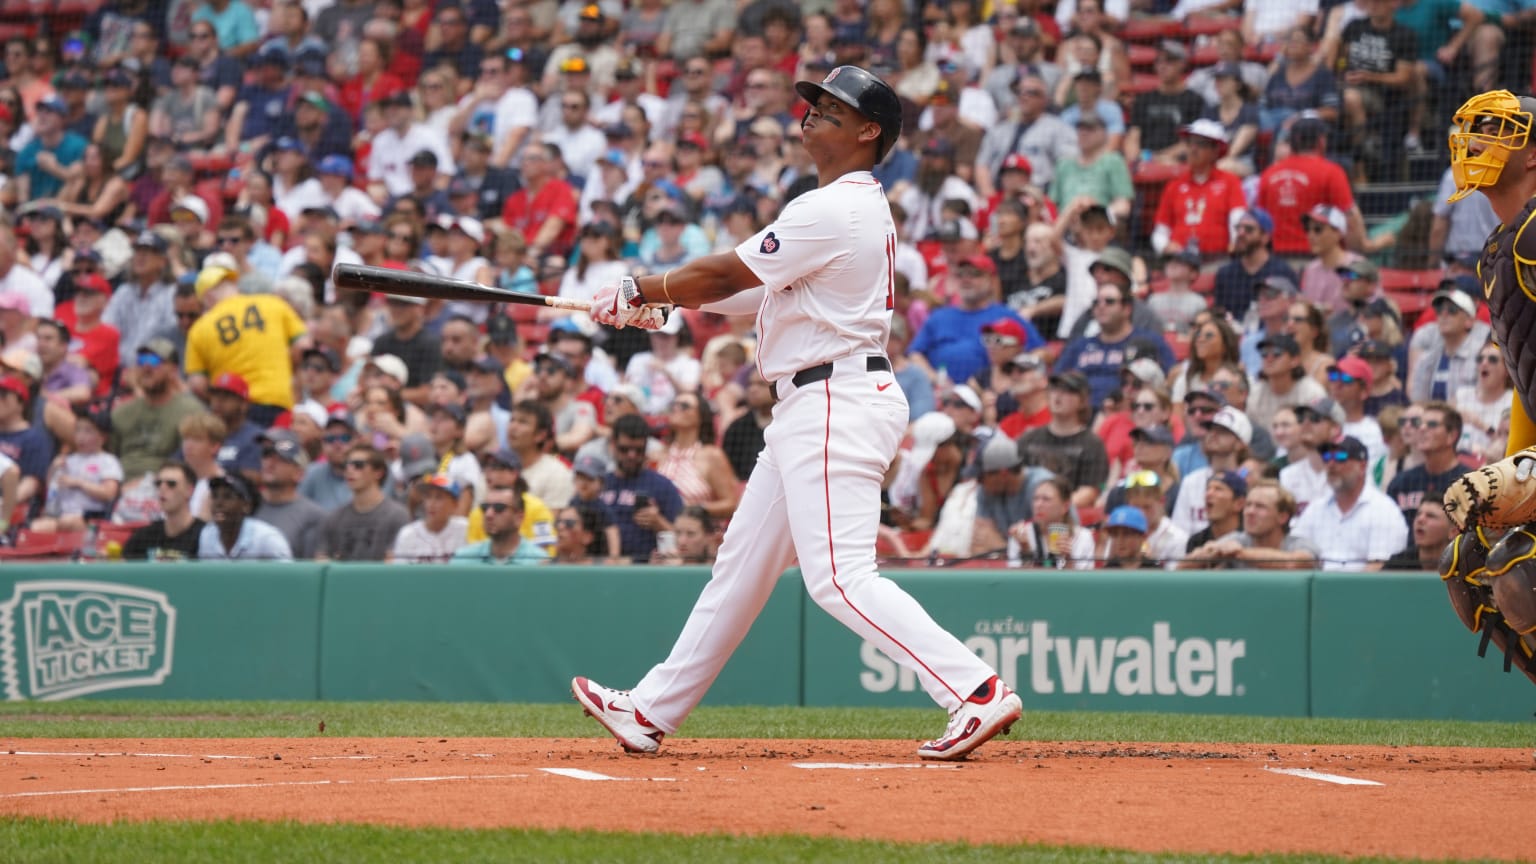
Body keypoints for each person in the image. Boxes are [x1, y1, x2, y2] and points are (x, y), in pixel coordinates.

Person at [575, 66, 1023, 761]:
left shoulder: (835, 207)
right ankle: (652, 711)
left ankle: (974, 690)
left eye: (831, 106)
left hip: (834, 400)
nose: (811, 112)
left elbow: (726, 275)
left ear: (869, 129)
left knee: (840, 578)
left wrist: (643, 285)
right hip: (812, 405)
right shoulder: (839, 208)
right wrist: (658, 301)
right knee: (740, 571)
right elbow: (750, 295)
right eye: (811, 102)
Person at [1290, 436, 1408, 570]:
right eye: (1327, 457)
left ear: (1362, 466)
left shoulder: (1383, 510)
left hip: (1363, 589)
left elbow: (1379, 568)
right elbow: (1296, 554)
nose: (1331, 464)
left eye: (1341, 457)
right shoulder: (1315, 508)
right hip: (1316, 587)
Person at [1181, 479, 1319, 569]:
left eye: (1260, 507)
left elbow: (1296, 563)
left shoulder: (1298, 544)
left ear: (1282, 517)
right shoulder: (1237, 539)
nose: (1250, 512)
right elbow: (1180, 569)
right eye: (1248, 505)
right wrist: (1207, 554)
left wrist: (1240, 553)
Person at [314, 443, 412, 561]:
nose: (350, 470)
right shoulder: (334, 518)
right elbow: (321, 560)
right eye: (346, 465)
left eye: (358, 465)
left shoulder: (397, 516)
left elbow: (397, 565)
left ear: (378, 472)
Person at [1385, 401, 1467, 527]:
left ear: (1452, 435)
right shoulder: (1401, 482)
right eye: (1419, 423)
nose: (1422, 428)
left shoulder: (1468, 482)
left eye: (1432, 424)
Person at [253, 429, 327, 559]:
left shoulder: (313, 516)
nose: (270, 463)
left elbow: (310, 571)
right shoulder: (246, 505)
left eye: (280, 459)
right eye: (266, 454)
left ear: (298, 473)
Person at [197, 473, 293, 560]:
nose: (218, 503)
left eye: (227, 497)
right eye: (215, 496)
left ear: (246, 506)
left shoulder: (267, 539)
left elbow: (287, 577)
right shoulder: (207, 535)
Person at [122, 461, 205, 561]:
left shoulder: (204, 535)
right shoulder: (145, 536)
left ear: (189, 490)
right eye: (158, 483)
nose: (162, 488)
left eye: (171, 484)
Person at [452, 485, 545, 564]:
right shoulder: (463, 559)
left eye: (499, 507)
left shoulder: (538, 562)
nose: (488, 514)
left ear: (519, 517)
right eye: (485, 507)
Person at [392, 473, 470, 563]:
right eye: (428, 497)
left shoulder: (465, 529)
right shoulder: (407, 535)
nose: (431, 504)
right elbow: (400, 574)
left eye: (439, 497)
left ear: (454, 504)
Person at [1385, 483, 1458, 570]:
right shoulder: (1397, 564)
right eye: (1418, 514)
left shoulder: (1465, 567)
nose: (1420, 520)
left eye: (1431, 516)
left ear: (1453, 531)